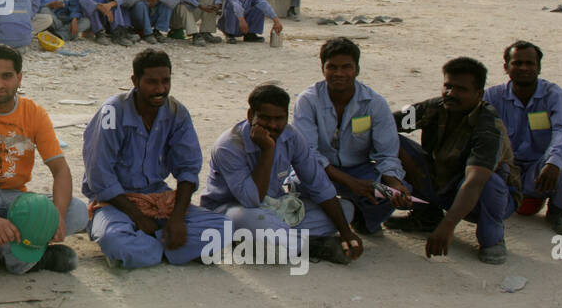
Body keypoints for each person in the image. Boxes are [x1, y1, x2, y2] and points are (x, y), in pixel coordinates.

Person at [83, 50, 232, 267]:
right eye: (152, 82)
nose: (160, 89)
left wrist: (178, 219)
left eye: (165, 81)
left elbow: (188, 169)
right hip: (116, 202)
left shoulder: (176, 112)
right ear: (135, 81)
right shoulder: (112, 113)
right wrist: (139, 218)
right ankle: (166, 247)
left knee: (223, 228)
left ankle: (145, 248)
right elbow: (100, 177)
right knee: (113, 240)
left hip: (159, 198)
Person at [0, 44, 87, 274]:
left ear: (19, 78)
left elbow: (60, 170)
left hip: (18, 200)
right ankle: (31, 258)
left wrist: (57, 217)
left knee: (78, 210)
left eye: (7, 76)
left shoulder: (34, 113)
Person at [201, 83, 363, 265]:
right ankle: (310, 245)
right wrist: (267, 150)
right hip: (234, 210)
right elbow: (252, 199)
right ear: (250, 115)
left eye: (279, 118)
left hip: (276, 208)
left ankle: (277, 243)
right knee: (256, 221)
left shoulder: (292, 137)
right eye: (265, 118)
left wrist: (346, 232)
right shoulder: (229, 146)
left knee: (346, 210)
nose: (273, 125)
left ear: (287, 117)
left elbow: (319, 186)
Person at [392, 57, 520, 264]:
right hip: (443, 183)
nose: (451, 93)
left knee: (489, 182)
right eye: (448, 86)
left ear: (479, 94)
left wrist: (448, 225)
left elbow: (475, 181)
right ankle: (426, 216)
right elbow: (388, 123)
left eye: (461, 89)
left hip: (482, 194)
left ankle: (493, 239)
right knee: (388, 139)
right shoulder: (434, 108)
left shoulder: (488, 126)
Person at [292, 38, 410, 236]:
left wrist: (395, 185)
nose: (339, 74)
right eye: (332, 67)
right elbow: (307, 154)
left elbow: (387, 154)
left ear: (357, 69)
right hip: (320, 169)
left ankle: (363, 220)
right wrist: (349, 182)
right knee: (303, 185)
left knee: (396, 190)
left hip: (360, 170)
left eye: (346, 67)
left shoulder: (374, 103)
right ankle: (332, 216)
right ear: (323, 69)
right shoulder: (308, 100)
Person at [482, 41, 562, 235]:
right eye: (517, 63)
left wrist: (553, 163)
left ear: (539, 67)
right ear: (506, 67)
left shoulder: (555, 96)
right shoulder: (492, 97)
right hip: (507, 169)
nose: (524, 68)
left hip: (540, 171)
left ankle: (558, 210)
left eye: (530, 63)